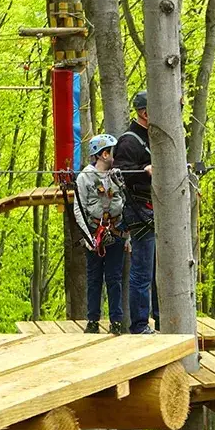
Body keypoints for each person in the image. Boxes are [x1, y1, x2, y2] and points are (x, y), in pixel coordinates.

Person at [114, 90, 160, 334]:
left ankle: (161, 320)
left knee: (160, 271)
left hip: (159, 211)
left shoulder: (156, 137)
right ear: (145, 113)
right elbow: (121, 173)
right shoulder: (129, 141)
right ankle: (140, 325)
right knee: (142, 271)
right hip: (140, 211)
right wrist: (145, 170)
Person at [77, 134, 127, 334]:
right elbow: (79, 209)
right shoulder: (85, 178)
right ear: (104, 154)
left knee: (114, 278)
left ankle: (116, 321)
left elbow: (125, 202)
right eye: (112, 152)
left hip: (115, 231)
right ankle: (92, 320)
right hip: (94, 232)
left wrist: (128, 236)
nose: (115, 156)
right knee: (94, 278)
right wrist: (88, 237)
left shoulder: (117, 176)